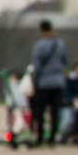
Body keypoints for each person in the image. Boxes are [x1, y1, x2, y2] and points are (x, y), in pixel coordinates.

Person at [29, 20, 68, 148]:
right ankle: (52, 139)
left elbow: (37, 64)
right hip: (58, 82)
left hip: (44, 82)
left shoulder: (39, 45)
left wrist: (35, 79)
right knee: (55, 111)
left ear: (41, 30)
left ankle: (40, 138)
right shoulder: (60, 44)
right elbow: (65, 61)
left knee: (40, 111)